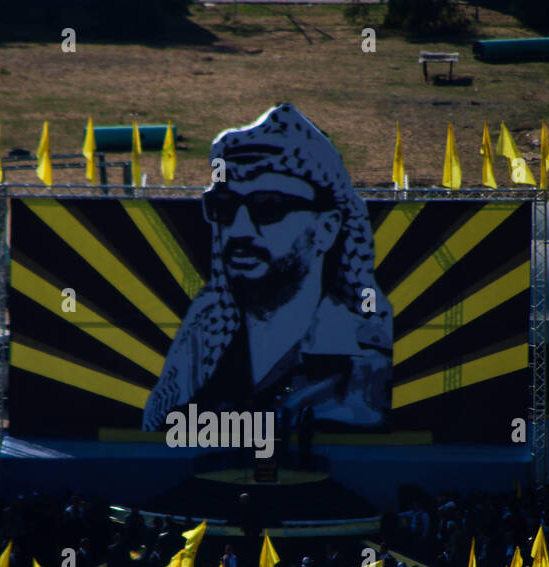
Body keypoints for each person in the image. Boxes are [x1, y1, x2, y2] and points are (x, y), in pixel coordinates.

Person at [142, 104, 393, 433]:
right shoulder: (196, 350)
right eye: (225, 207)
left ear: (326, 228)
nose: (239, 230)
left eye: (268, 207)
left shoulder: (364, 362)